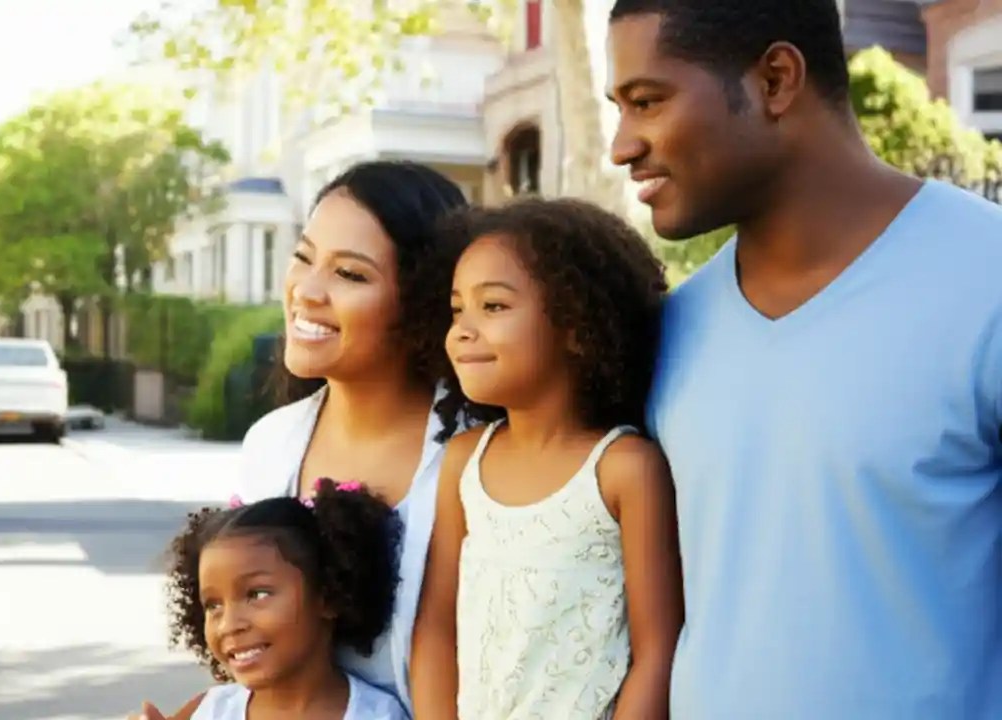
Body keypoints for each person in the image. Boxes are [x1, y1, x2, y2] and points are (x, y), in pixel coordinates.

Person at [605, 1, 1002, 717]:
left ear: (776, 80)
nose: (622, 145)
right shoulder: (669, 328)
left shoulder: (988, 280)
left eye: (647, 101)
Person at [411, 198, 683, 720]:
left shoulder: (623, 470)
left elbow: (657, 652)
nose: (463, 330)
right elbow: (435, 629)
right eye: (456, 309)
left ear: (578, 327)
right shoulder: (464, 463)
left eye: (492, 307)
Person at [235, 160, 470, 715]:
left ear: (421, 302)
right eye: (303, 257)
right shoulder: (270, 446)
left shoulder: (485, 455)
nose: (307, 290)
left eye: (351, 274)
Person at [136, 479, 407, 719]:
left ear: (327, 595)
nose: (229, 624)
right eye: (213, 605)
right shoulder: (210, 710)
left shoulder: (378, 714)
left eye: (257, 594)